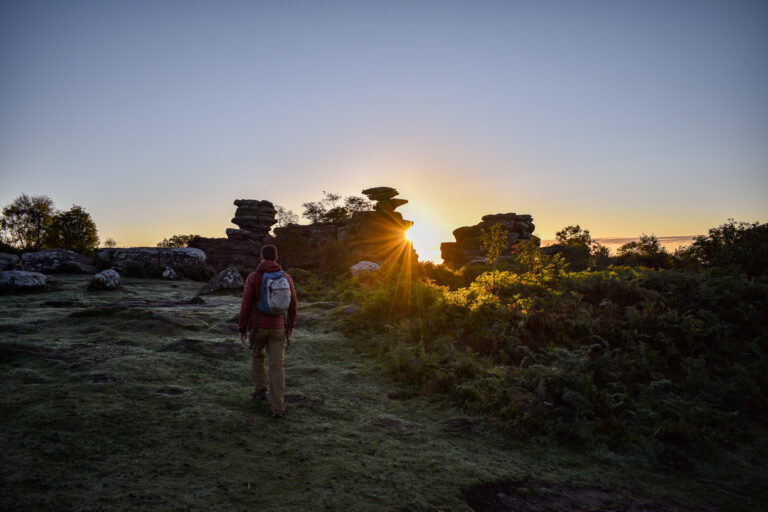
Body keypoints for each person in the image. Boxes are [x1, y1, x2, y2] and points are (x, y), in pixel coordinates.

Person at [238, 244, 298, 417]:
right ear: (276, 258)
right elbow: (293, 304)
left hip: (258, 327)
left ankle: (259, 391)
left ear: (261, 257)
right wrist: (291, 325)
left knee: (257, 357)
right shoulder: (286, 277)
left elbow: (246, 304)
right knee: (277, 366)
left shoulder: (254, 277)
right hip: (279, 328)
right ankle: (278, 408)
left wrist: (242, 327)